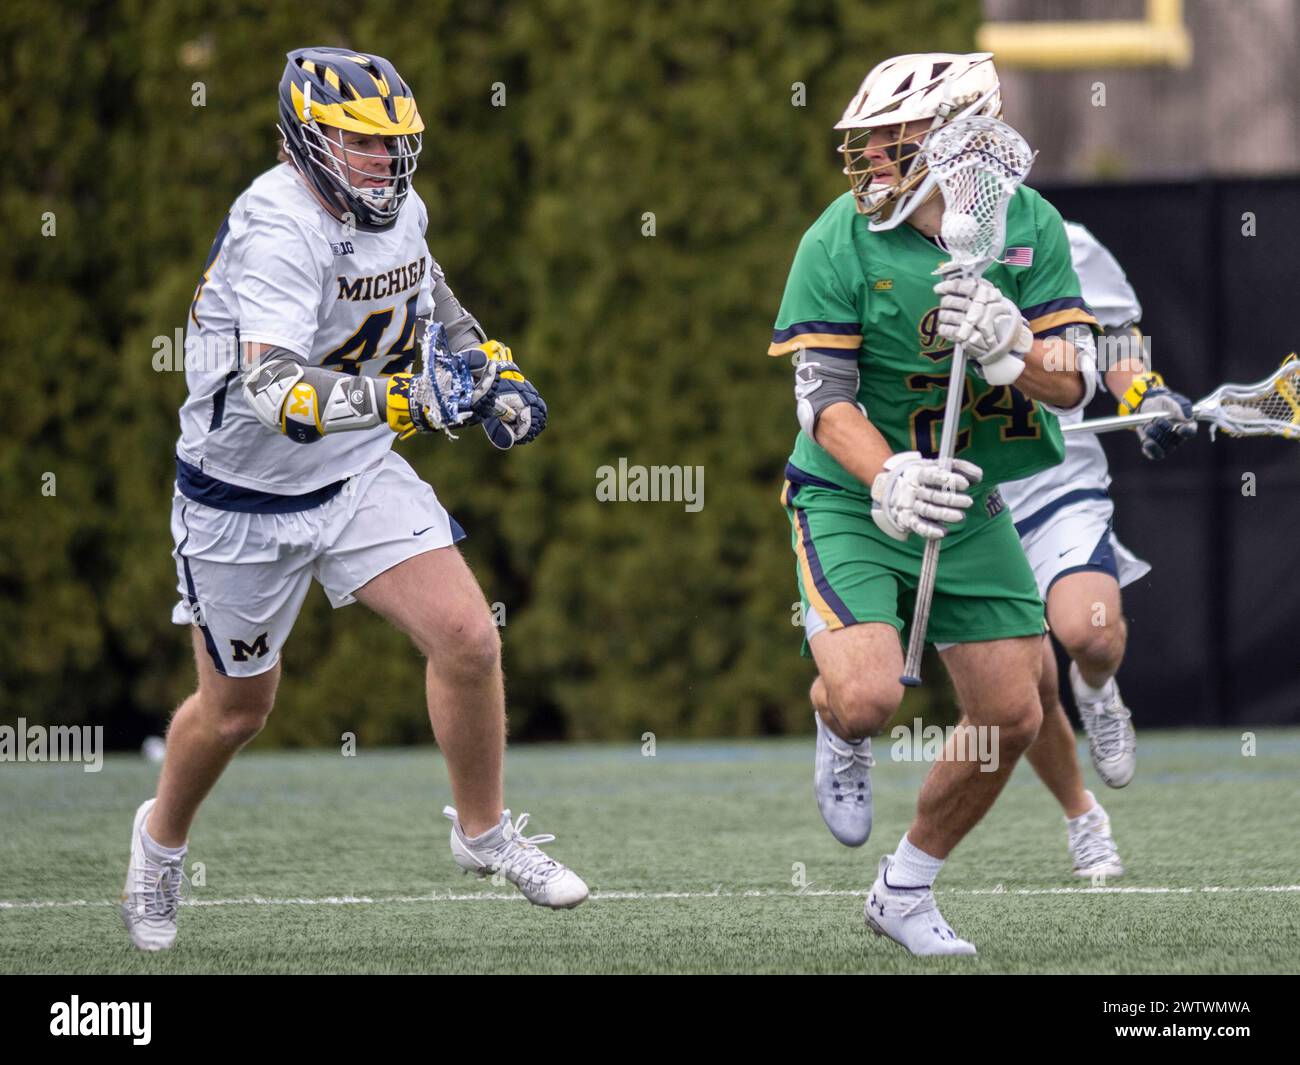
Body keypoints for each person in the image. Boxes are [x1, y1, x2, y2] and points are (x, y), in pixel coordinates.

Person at [121, 47, 586, 952]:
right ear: (305, 139)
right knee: (237, 710)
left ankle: (482, 831)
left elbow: (429, 289)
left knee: (468, 636)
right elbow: (274, 393)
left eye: (392, 145)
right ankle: (161, 841)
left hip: (358, 468)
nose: (383, 164)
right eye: (359, 143)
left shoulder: (397, 206)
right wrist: (411, 400)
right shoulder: (276, 227)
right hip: (243, 494)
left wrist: (492, 368)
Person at [771, 52, 1097, 955]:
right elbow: (825, 406)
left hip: (964, 493)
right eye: (864, 140)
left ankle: (905, 888)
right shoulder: (836, 238)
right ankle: (838, 724)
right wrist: (887, 477)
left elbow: (1071, 386)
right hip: (852, 493)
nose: (871, 156)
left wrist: (1009, 348)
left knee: (1013, 709)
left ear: (957, 140)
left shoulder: (1028, 225)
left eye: (891, 139)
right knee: (870, 696)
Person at [1004, 221, 1196, 878]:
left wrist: (1147, 395)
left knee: (1092, 634)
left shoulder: (1055, 235)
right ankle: (1084, 818)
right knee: (1019, 691)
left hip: (1056, 474)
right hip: (966, 493)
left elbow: (1115, 338)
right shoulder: (896, 245)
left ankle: (1099, 688)